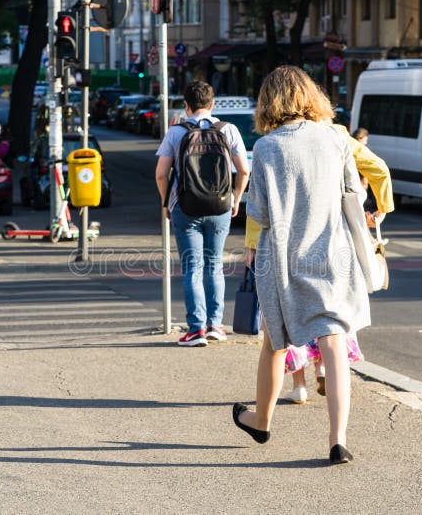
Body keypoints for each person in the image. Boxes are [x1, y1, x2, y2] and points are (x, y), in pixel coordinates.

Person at [232, 66, 371, 464]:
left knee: (276, 341)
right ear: (311, 95)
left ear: (270, 101)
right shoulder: (335, 139)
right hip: (334, 253)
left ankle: (261, 420)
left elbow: (259, 212)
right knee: (333, 342)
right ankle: (337, 440)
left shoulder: (267, 147)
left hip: (285, 258)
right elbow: (352, 193)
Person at [247, 123, 394, 404]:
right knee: (331, 324)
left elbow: (261, 209)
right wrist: (382, 209)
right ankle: (325, 371)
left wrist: (251, 245)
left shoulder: (273, 142)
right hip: (331, 245)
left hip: (286, 247)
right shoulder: (336, 135)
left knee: (286, 320)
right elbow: (379, 169)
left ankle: (298, 384)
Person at [155, 81, 250, 347]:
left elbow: (161, 173)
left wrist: (166, 201)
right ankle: (215, 326)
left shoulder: (176, 132)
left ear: (186, 106)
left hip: (186, 207)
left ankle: (195, 330)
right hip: (221, 206)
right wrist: (236, 199)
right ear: (212, 104)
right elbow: (243, 170)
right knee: (214, 265)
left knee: (192, 268)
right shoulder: (228, 130)